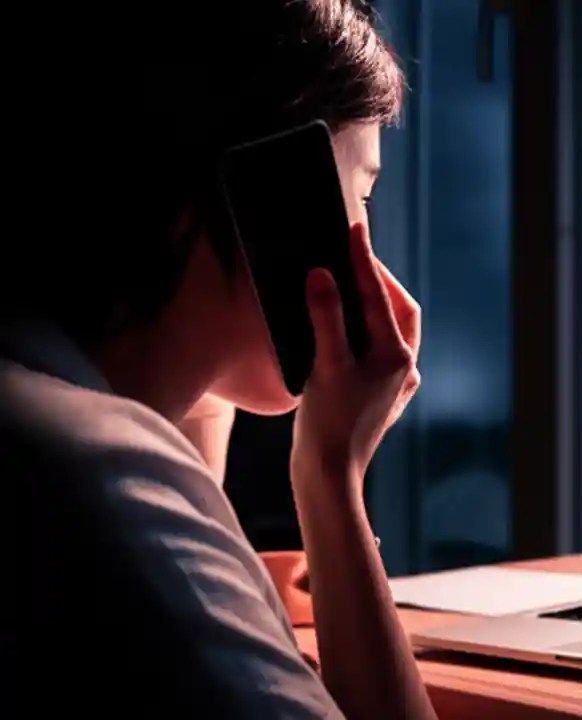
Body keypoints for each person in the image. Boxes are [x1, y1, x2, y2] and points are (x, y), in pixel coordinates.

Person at [2, 2, 435, 717]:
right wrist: (331, 474)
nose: (372, 257)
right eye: (358, 196)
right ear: (266, 200)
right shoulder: (107, 476)